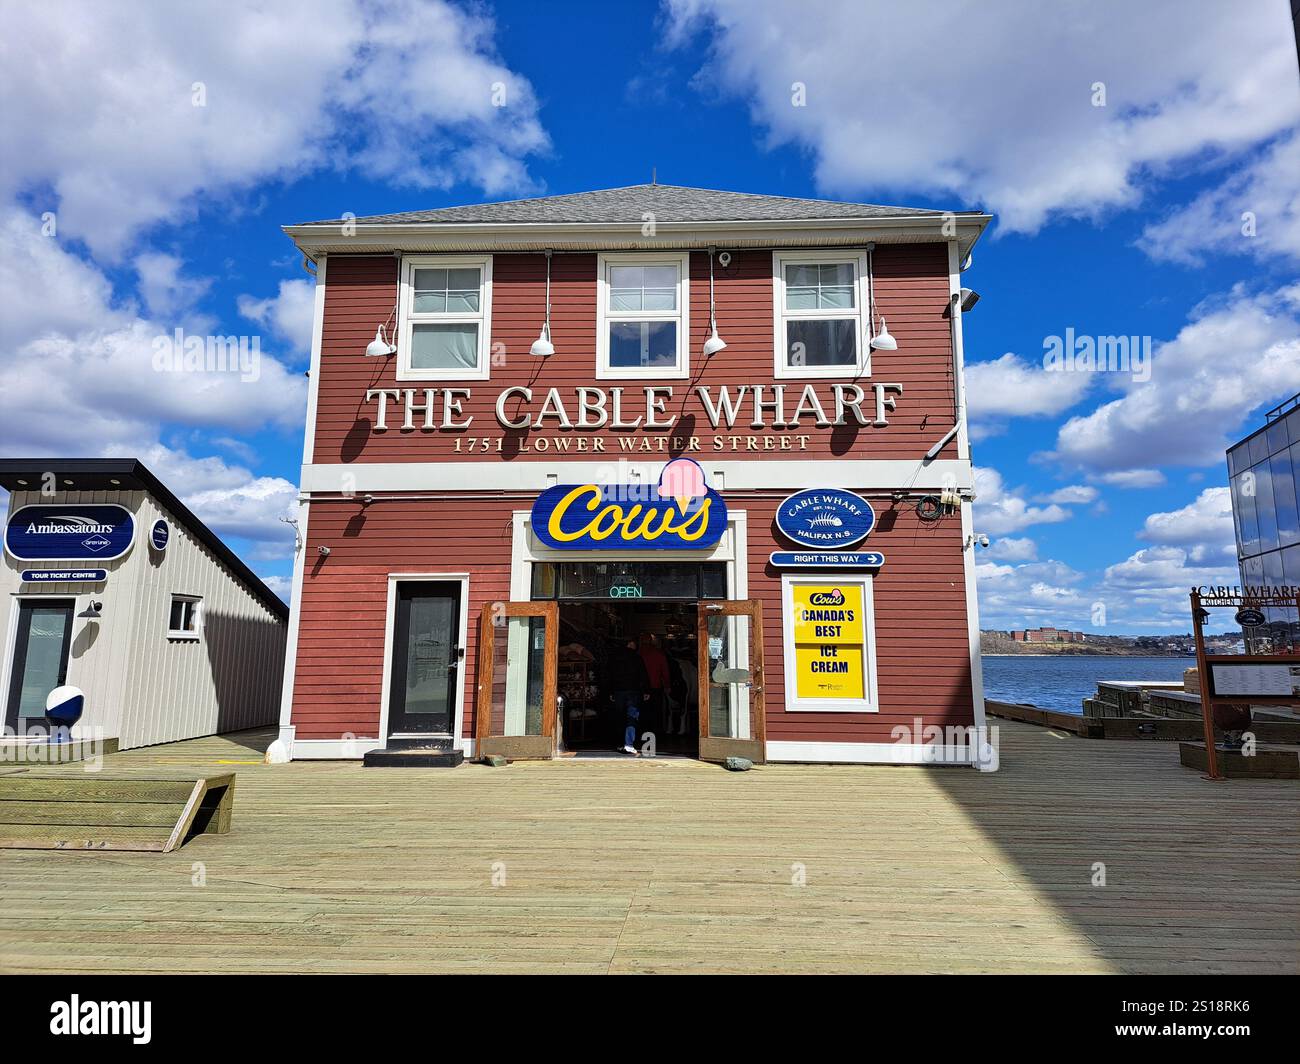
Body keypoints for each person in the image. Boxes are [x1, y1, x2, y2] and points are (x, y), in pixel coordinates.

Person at [603, 638, 649, 755]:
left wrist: (610, 692)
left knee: (619, 717)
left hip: (618, 691)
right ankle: (628, 744)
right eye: (634, 644)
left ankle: (619, 744)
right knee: (631, 717)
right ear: (630, 644)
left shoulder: (614, 658)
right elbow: (643, 675)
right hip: (633, 691)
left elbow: (608, 676)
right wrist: (646, 691)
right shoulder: (637, 658)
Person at [638, 632, 671, 741]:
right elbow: (665, 672)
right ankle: (654, 734)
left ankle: (642, 733)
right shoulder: (659, 654)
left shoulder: (638, 654)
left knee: (642, 711)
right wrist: (667, 685)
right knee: (656, 711)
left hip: (640, 687)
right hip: (655, 686)